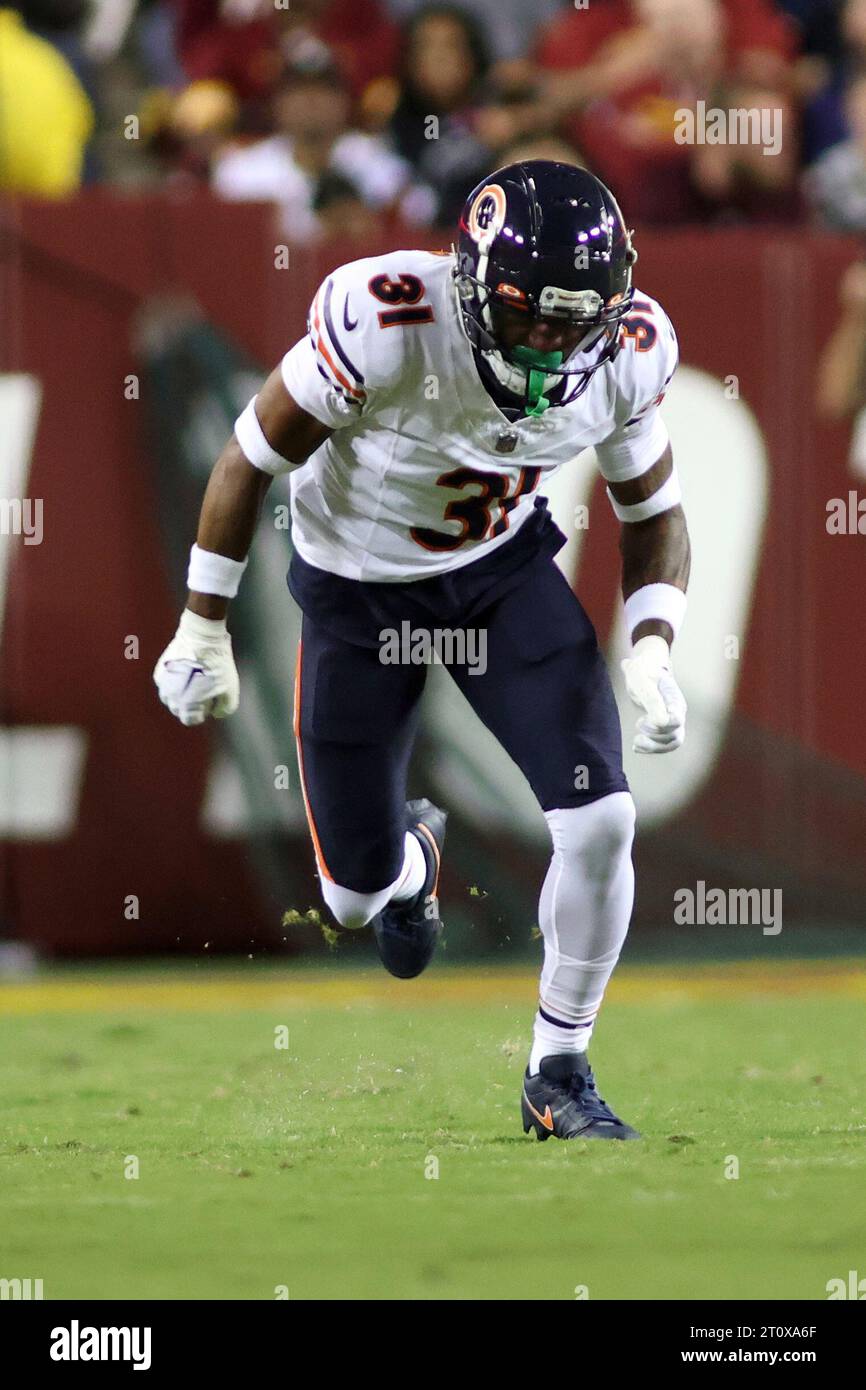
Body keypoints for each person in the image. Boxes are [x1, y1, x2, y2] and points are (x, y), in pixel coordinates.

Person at [154, 162, 690, 1142]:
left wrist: (651, 643)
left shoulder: (625, 353)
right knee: (351, 898)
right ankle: (411, 864)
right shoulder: (387, 318)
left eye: (577, 322)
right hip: (356, 596)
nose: (553, 345)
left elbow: (653, 513)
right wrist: (201, 623)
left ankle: (556, 1069)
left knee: (602, 816)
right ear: (473, 284)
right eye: (532, 318)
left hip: (500, 580)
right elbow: (247, 455)